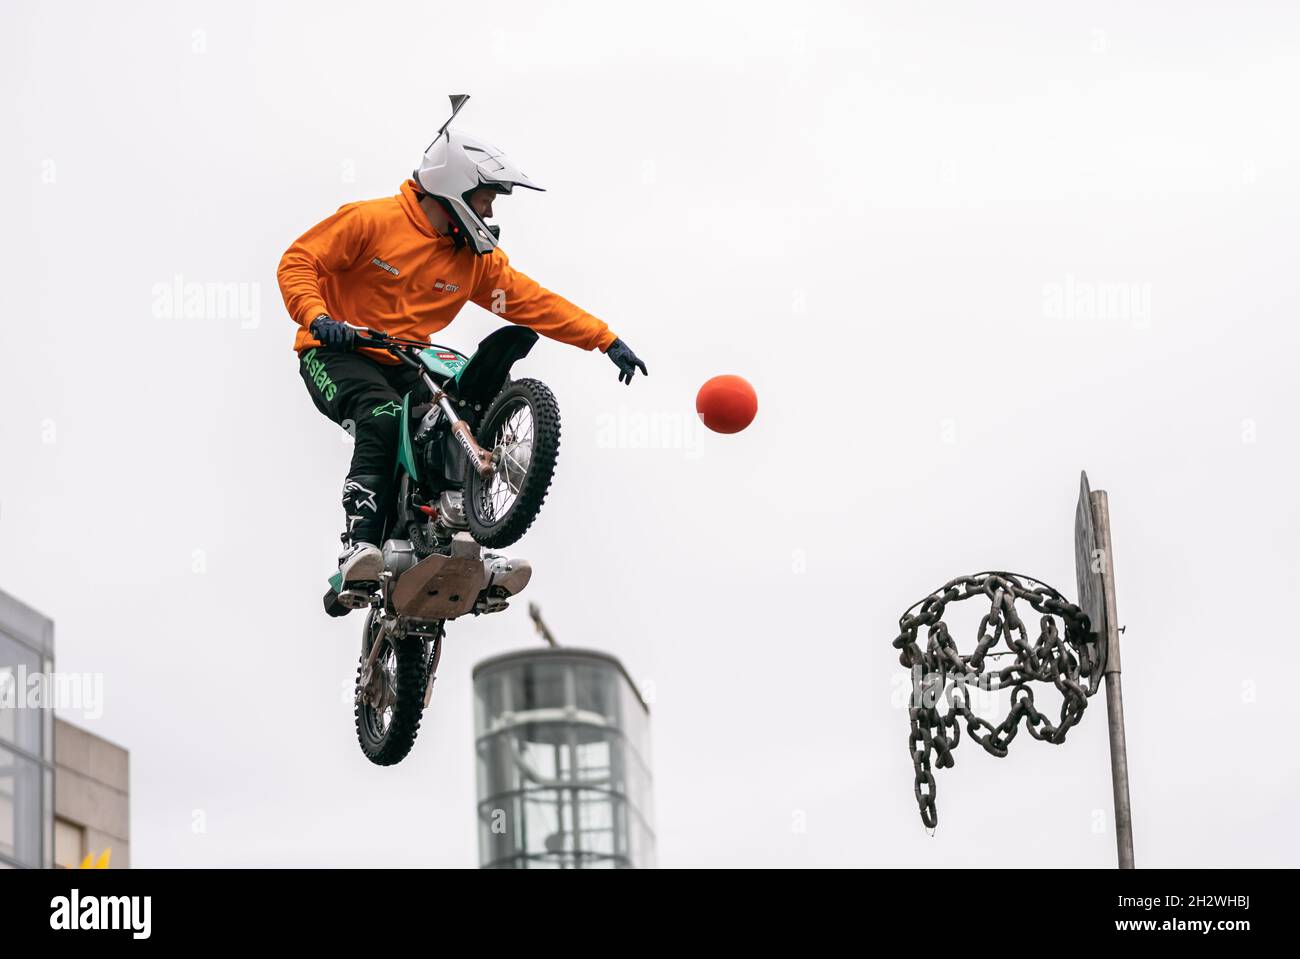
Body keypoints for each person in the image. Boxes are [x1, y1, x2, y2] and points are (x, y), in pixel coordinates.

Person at [277, 98, 647, 600]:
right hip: (336, 352)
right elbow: (299, 261)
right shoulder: (371, 221)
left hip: (407, 360)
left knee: (455, 426)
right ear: (453, 189)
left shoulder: (472, 263)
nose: (491, 211)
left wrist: (604, 339)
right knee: (383, 416)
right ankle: (357, 546)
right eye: (486, 198)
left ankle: (468, 543)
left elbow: (532, 301)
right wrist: (319, 318)